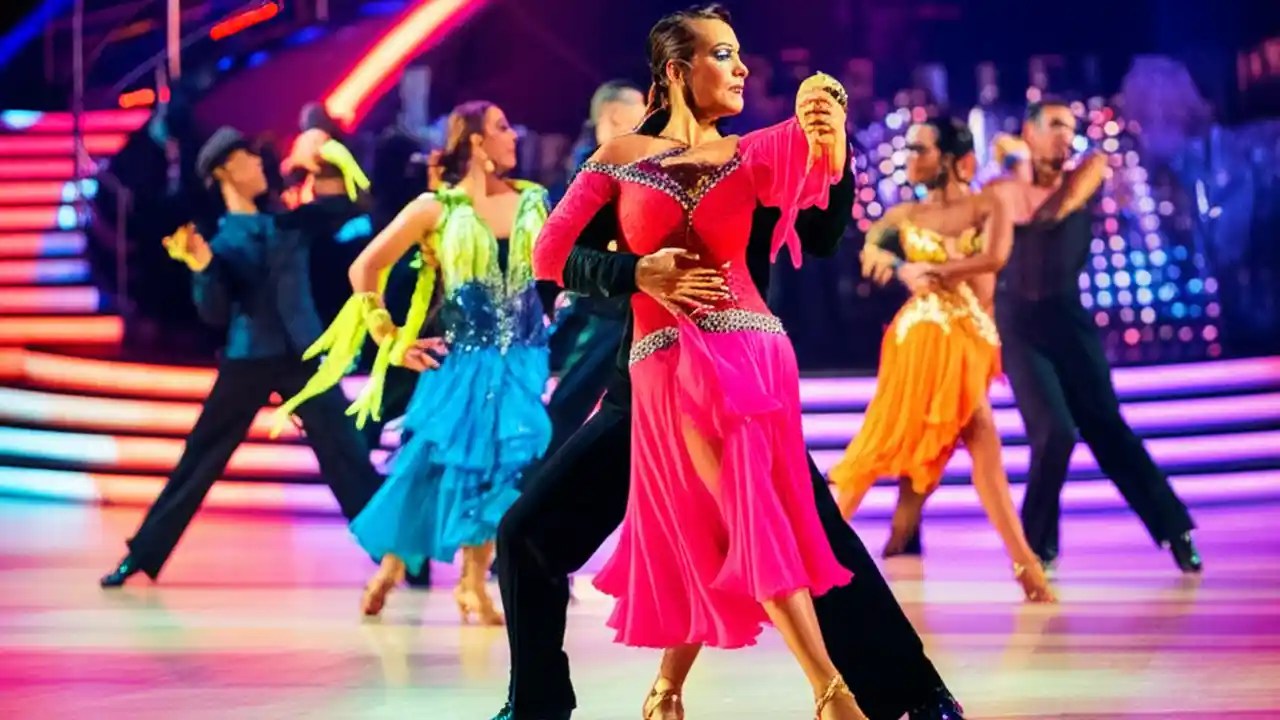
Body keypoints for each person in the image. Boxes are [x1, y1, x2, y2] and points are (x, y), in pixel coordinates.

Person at [535, 7, 898, 718]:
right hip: (669, 363)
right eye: (723, 55)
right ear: (677, 71)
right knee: (742, 514)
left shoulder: (752, 154)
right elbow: (549, 257)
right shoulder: (617, 160)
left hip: (758, 357)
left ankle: (669, 688)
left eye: (740, 56)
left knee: (728, 521)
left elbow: (821, 216)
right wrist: (637, 274)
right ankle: (831, 692)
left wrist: (831, 130)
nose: (741, 69)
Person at [274, 101, 553, 619]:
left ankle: (472, 581)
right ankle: (393, 568)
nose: (513, 135)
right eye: (500, 127)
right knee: (428, 467)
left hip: (521, 358)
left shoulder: (534, 203)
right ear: (473, 141)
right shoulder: (437, 208)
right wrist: (391, 338)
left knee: (499, 470)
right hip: (462, 361)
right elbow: (366, 268)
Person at [99, 127, 383, 587]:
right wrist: (203, 267)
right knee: (201, 457)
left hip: (303, 355)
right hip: (248, 357)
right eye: (250, 159)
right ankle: (143, 554)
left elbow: (356, 203)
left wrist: (326, 159)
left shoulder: (289, 220)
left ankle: (395, 554)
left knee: (346, 454)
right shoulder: (220, 242)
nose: (259, 165)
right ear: (227, 169)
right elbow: (213, 313)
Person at [828, 117, 1055, 603]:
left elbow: (994, 259)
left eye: (921, 149)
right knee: (901, 438)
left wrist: (936, 267)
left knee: (961, 438)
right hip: (924, 335)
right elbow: (868, 244)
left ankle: (1025, 564)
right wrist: (900, 266)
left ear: (951, 158)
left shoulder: (985, 203)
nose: (910, 156)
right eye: (909, 148)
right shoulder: (906, 213)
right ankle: (1026, 566)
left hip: (972, 332)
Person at [996, 100, 1201, 573]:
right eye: (1053, 127)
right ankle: (1035, 549)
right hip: (1019, 326)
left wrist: (1016, 163)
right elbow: (1010, 211)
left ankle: (1175, 530)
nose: (1064, 136)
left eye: (1070, 128)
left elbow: (1050, 211)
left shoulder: (1085, 170)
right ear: (1029, 131)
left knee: (1108, 427)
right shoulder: (1003, 187)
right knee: (1055, 433)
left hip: (1068, 320)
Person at [544, 80, 648, 455]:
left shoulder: (603, 160)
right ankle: (533, 492)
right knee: (570, 406)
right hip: (606, 308)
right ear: (617, 114)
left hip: (615, 305)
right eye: (641, 105)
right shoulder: (599, 164)